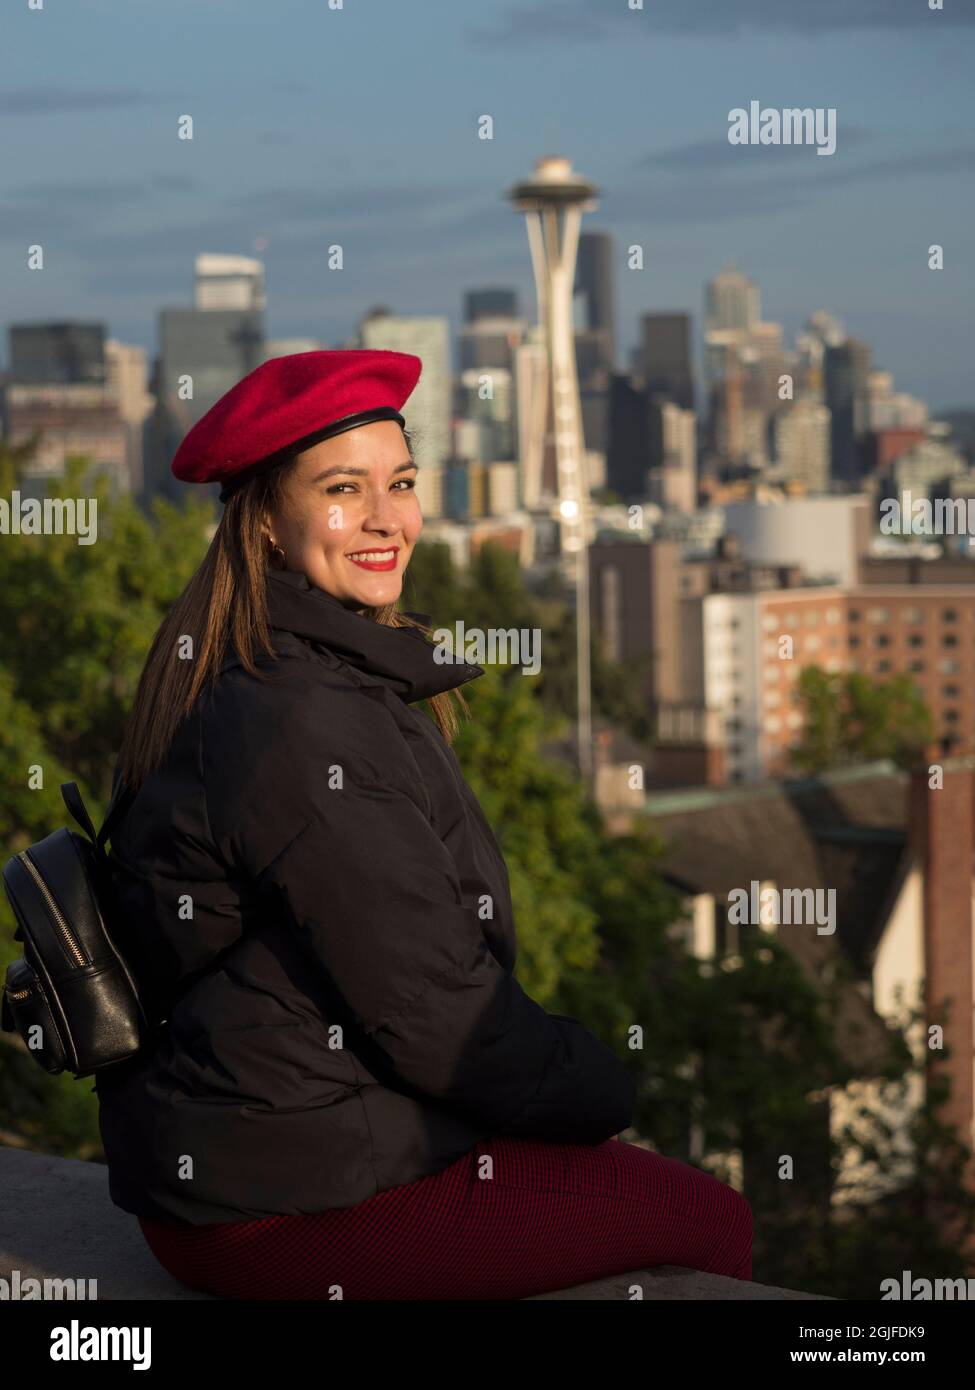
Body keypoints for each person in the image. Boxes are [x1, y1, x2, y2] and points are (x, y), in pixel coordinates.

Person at [96, 348, 753, 1300]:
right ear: (268, 526)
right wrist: (604, 1089)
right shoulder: (300, 714)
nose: (384, 519)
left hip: (261, 1160)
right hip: (283, 1203)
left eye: (399, 483)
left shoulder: (289, 672)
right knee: (710, 1221)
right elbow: (438, 1018)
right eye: (341, 489)